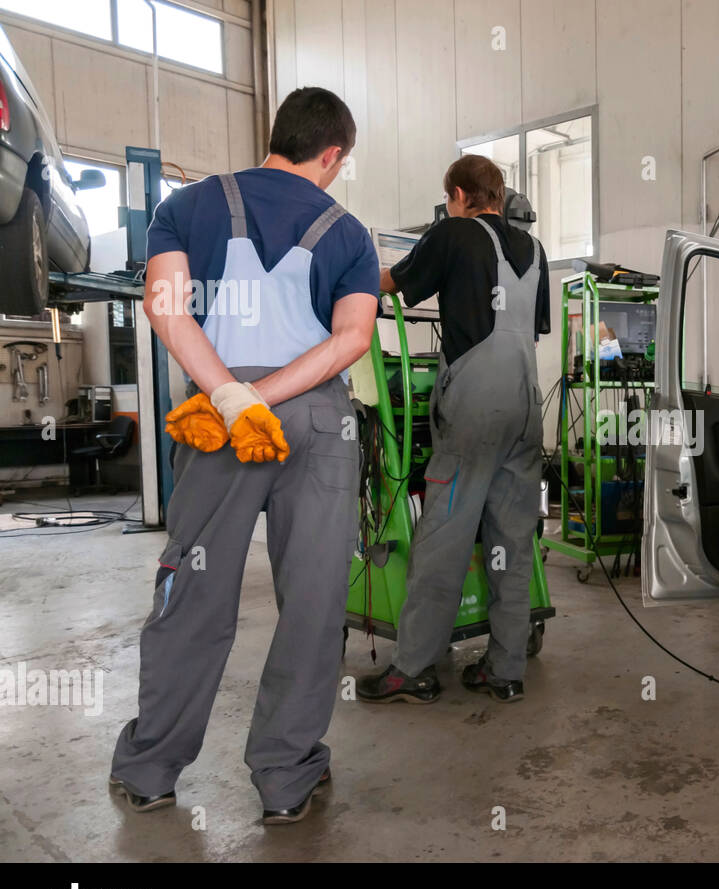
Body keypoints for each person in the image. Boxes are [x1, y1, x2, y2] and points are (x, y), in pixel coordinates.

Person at [110, 87, 379, 824]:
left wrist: (232, 393)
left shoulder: (185, 208)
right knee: (315, 603)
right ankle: (287, 778)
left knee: (191, 594)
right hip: (319, 427)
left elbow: (165, 308)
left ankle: (151, 769)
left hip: (215, 419)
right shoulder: (350, 233)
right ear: (331, 155)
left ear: (276, 135)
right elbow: (351, 340)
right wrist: (271, 395)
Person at [358, 155, 548, 705]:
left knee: (443, 536)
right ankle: (506, 669)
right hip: (526, 402)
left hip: (475, 408)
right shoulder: (535, 250)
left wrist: (335, 280)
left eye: (449, 198)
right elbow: (525, 326)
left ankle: (414, 667)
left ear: (461, 194)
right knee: (512, 538)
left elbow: (388, 284)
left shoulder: (452, 233)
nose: (448, 206)